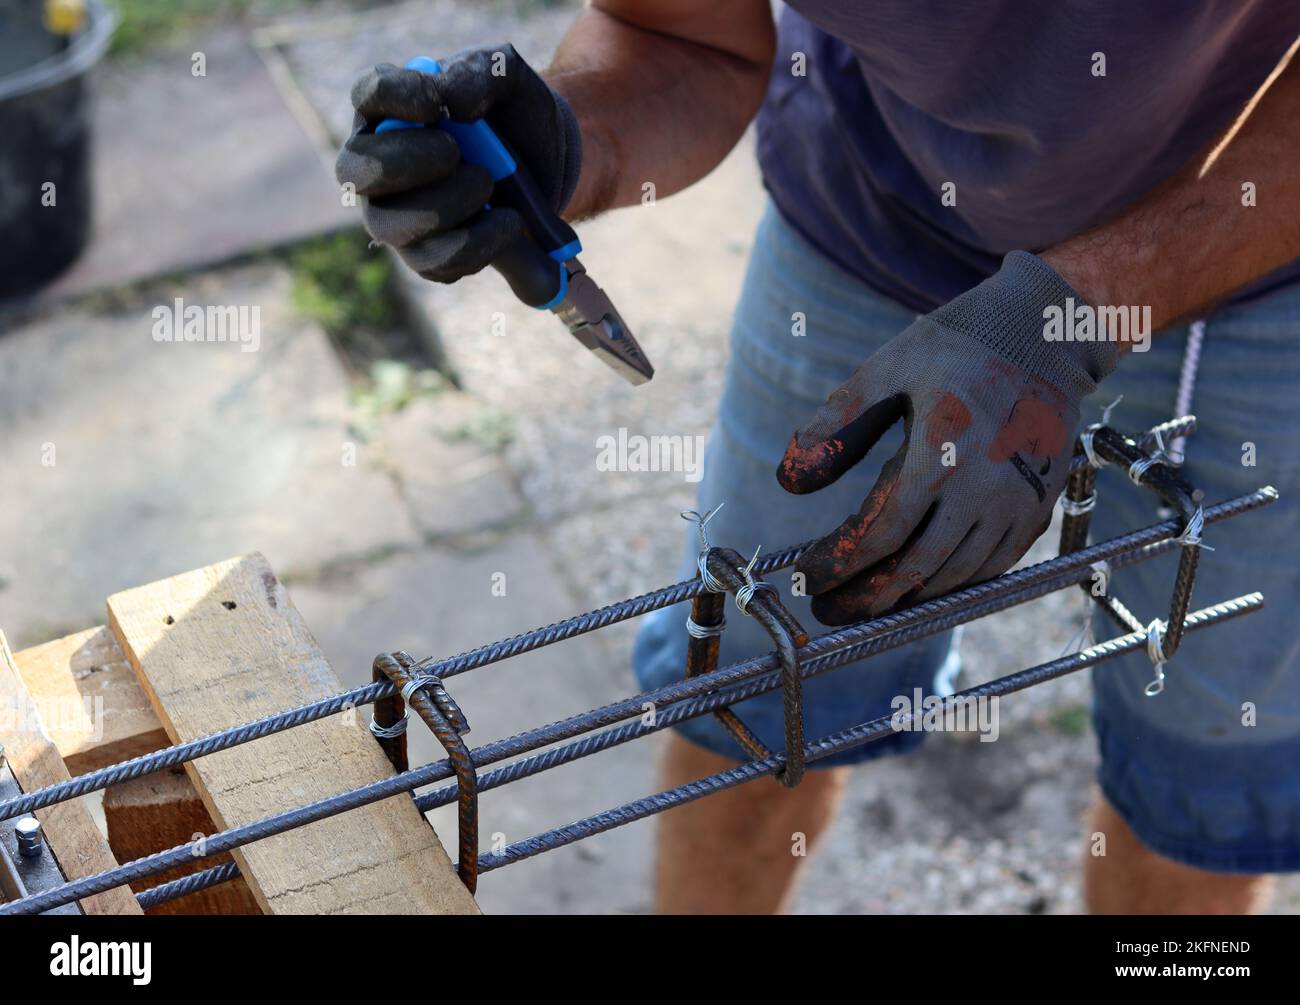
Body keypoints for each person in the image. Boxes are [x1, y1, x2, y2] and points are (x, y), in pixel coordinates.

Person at [335, 1, 1300, 914]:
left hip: (1253, 245)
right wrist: (569, 137)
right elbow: (681, 38)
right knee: (755, 701)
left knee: (1207, 794)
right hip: (882, 214)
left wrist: (1077, 308)